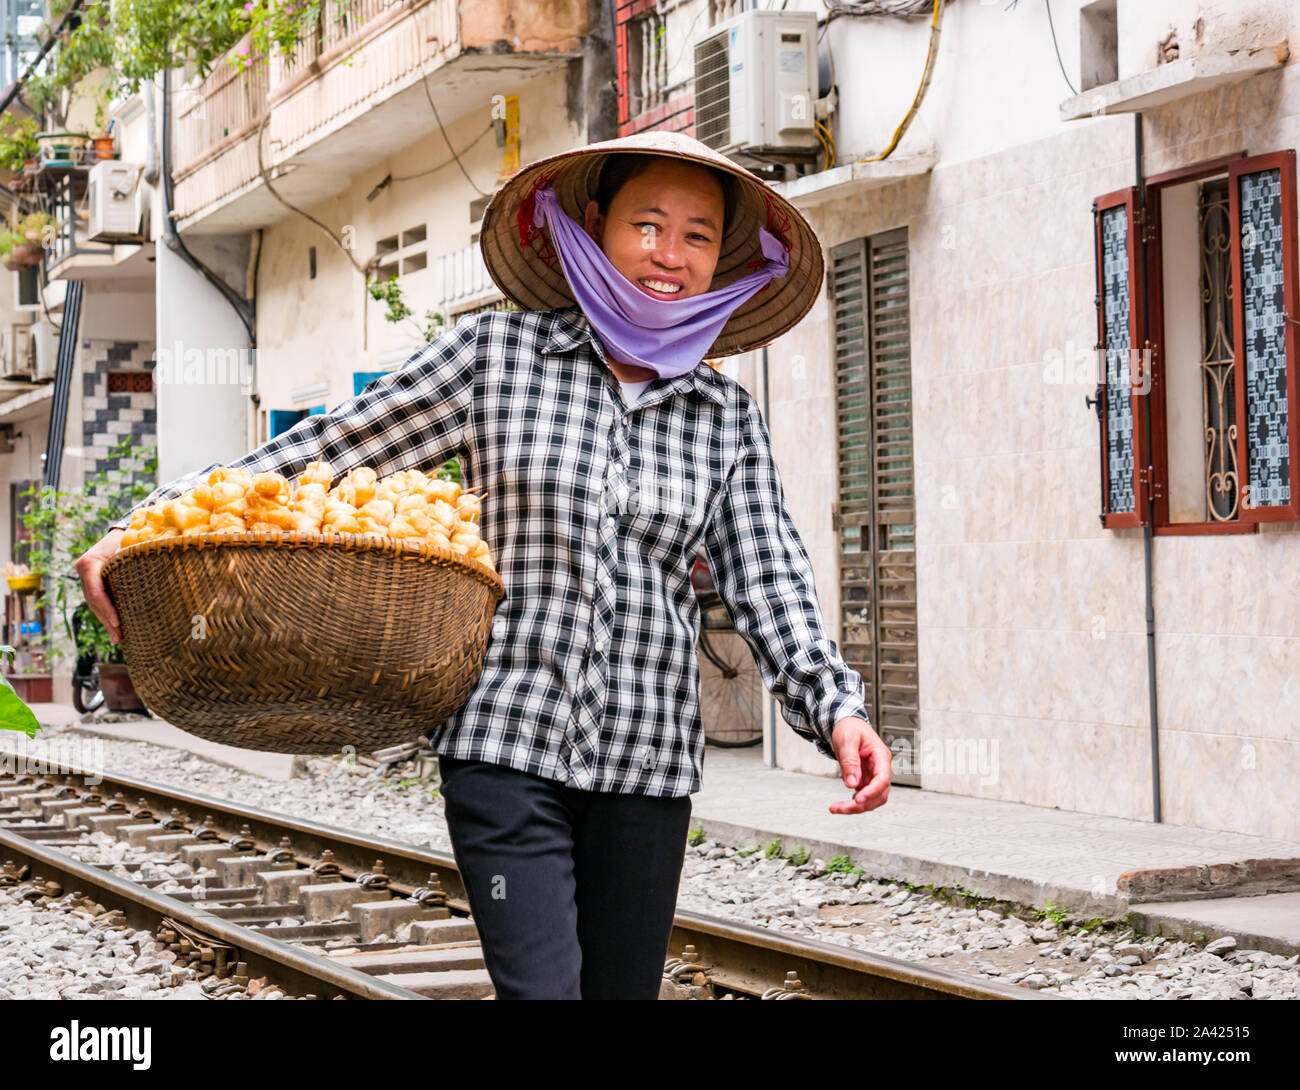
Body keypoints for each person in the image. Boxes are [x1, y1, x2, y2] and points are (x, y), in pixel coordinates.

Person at [75, 131, 892, 1000]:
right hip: (505, 745)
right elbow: (332, 446)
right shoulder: (494, 360)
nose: (670, 255)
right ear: (593, 225)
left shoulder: (724, 415)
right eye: (647, 224)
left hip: (647, 765)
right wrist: (149, 525)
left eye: (697, 235)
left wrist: (836, 710)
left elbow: (768, 575)